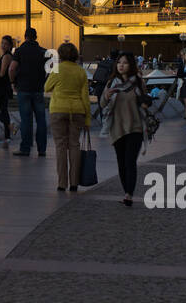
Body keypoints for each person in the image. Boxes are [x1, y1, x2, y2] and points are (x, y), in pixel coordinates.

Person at [100, 51, 150, 206]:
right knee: (121, 162)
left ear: (131, 65)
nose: (121, 65)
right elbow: (102, 104)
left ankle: (129, 194)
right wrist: (106, 96)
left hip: (135, 127)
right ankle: (126, 191)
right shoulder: (111, 83)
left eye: (125, 62)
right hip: (117, 128)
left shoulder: (137, 82)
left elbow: (146, 100)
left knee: (130, 161)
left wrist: (144, 102)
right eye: (119, 62)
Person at [44, 41, 91, 192]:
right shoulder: (81, 72)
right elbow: (85, 97)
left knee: (60, 146)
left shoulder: (57, 69)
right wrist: (88, 119)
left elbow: (46, 87)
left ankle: (62, 183)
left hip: (58, 109)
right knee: (74, 145)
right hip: (77, 111)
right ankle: (74, 183)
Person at [9, 27, 49, 158]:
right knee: (41, 120)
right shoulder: (43, 51)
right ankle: (42, 149)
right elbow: (51, 70)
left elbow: (12, 69)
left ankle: (25, 148)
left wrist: (13, 82)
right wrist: (43, 81)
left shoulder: (19, 51)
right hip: (38, 89)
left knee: (26, 120)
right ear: (36, 37)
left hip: (23, 89)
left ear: (25, 37)